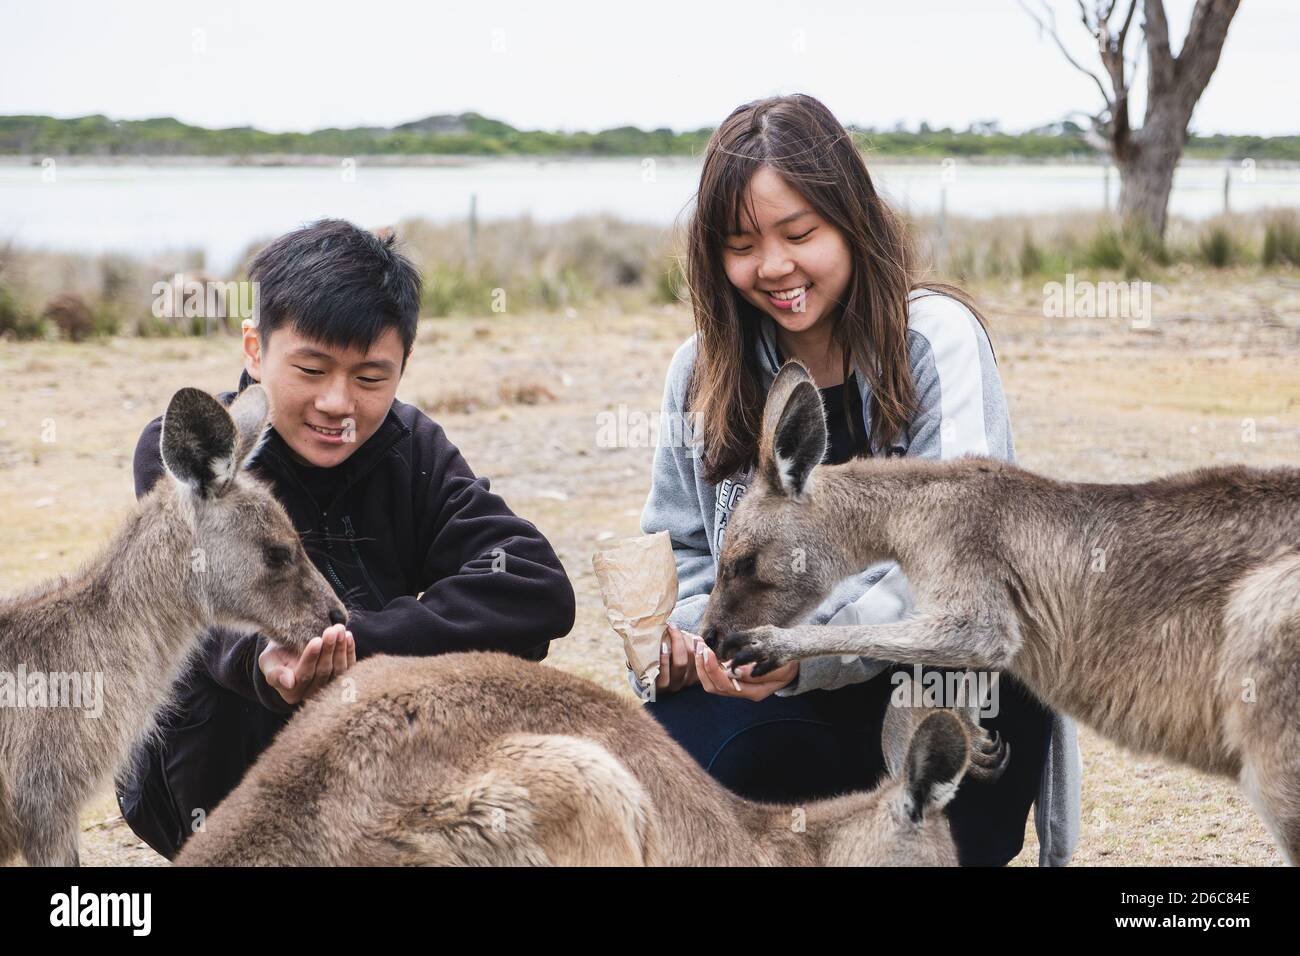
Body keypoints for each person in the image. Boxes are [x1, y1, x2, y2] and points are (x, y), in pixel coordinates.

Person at [638, 94, 1080, 866]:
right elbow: (681, 547)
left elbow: (960, 578)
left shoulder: (935, 340)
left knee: (936, 826)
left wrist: (808, 649)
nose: (773, 267)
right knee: (683, 771)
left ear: (852, 220)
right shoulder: (700, 370)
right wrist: (691, 642)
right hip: (785, 687)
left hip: (941, 676)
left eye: (799, 233)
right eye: (741, 245)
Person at [115, 219, 576, 860]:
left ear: (403, 367)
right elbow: (195, 605)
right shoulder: (195, 450)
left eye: (369, 378)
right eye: (312, 368)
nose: (339, 403)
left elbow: (534, 587)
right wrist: (265, 664)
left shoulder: (412, 450)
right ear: (255, 348)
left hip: (369, 764)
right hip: (204, 770)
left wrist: (359, 647)